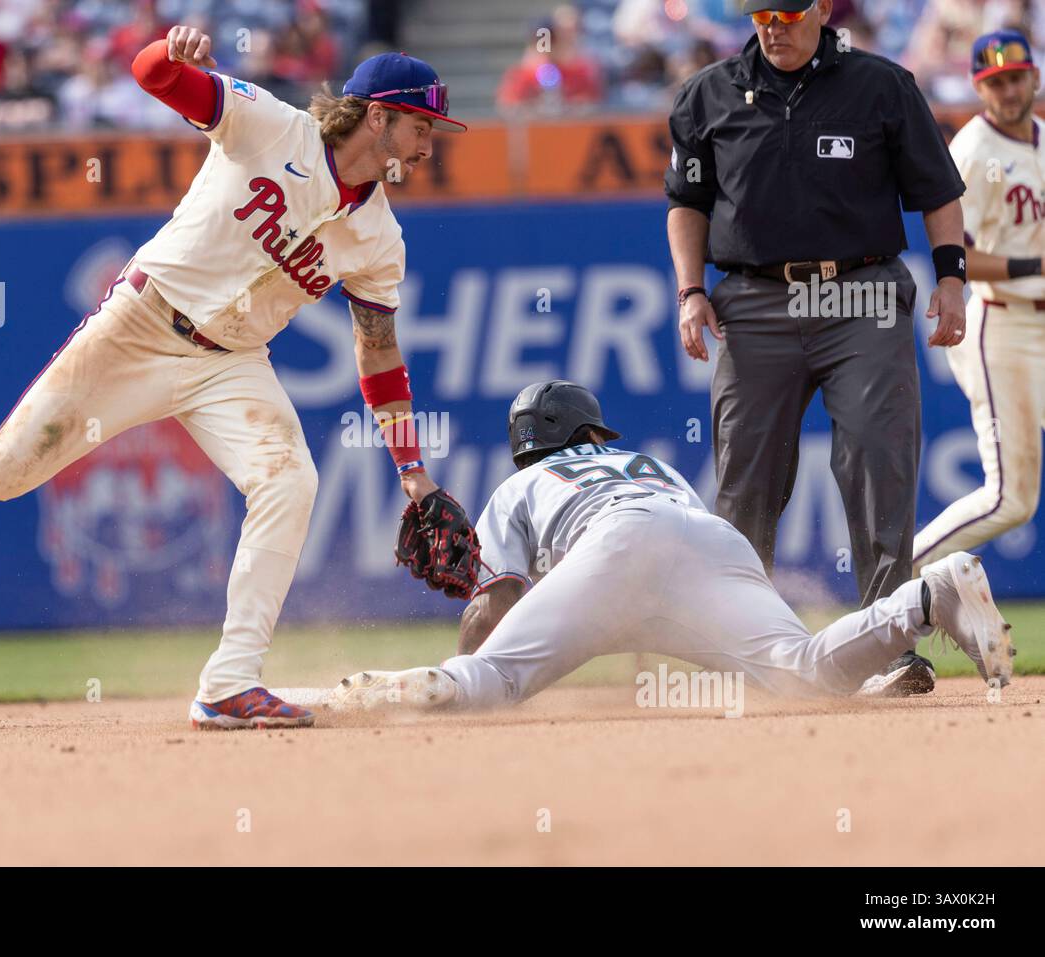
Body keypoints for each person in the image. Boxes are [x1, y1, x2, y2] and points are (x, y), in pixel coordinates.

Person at [0, 23, 468, 731]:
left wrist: (412, 470)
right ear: (379, 115)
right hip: (140, 324)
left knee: (289, 478)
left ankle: (231, 680)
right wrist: (168, 51)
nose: (428, 147)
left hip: (230, 362)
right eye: (422, 127)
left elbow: (379, 353)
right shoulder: (272, 126)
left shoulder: (378, 238)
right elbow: (155, 76)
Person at [329, 382, 1015, 714]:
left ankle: (414, 690)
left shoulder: (522, 484)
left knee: (494, 680)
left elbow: (494, 605)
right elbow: (644, 588)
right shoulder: (645, 462)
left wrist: (473, 668)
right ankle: (927, 597)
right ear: (592, 433)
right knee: (806, 672)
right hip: (710, 541)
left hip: (614, 550)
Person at [665, 0, 971, 698]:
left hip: (859, 293)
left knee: (875, 456)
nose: (774, 25)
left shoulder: (882, 84)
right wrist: (691, 291)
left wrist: (950, 277)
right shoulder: (707, 91)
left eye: (789, 11)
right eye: (760, 12)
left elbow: (938, 191)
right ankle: (741, 652)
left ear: (823, 9)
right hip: (755, 299)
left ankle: (890, 645)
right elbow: (686, 201)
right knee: (746, 477)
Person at [915, 30, 1045, 567]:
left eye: (1015, 79)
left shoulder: (1040, 137)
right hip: (1003, 323)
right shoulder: (972, 150)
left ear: (1033, 77)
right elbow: (954, 252)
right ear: (978, 86)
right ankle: (890, 585)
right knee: (1009, 499)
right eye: (996, 83)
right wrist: (1032, 266)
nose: (1008, 91)